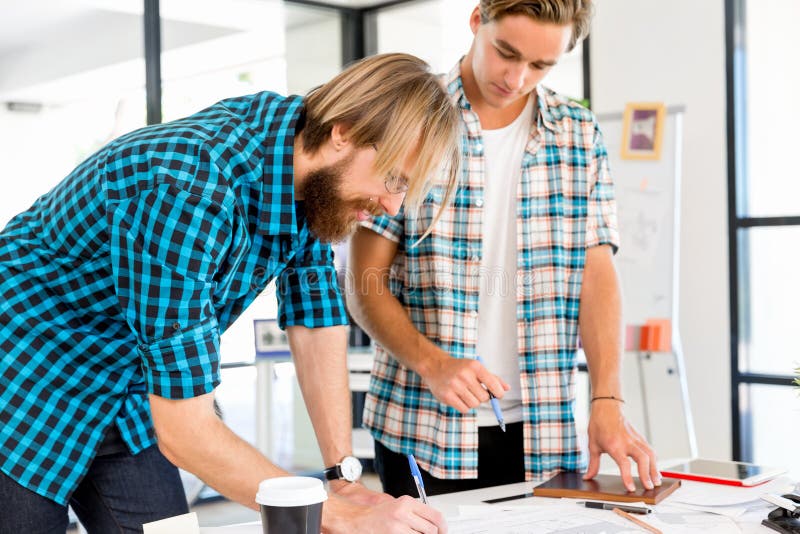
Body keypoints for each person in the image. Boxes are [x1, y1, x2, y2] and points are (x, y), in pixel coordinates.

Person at [0, 52, 460, 533]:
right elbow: (186, 432)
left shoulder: (308, 177)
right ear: (343, 131)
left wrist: (341, 477)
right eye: (393, 179)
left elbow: (316, 321)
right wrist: (338, 517)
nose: (391, 206)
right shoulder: (188, 190)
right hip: (25, 375)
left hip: (124, 384)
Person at [347, 0, 661, 498]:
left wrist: (606, 398)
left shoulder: (579, 135)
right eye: (506, 53)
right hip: (422, 423)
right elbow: (364, 285)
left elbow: (596, 274)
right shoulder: (411, 121)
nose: (516, 78)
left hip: (543, 429)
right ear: (477, 21)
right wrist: (433, 363)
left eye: (540, 65)